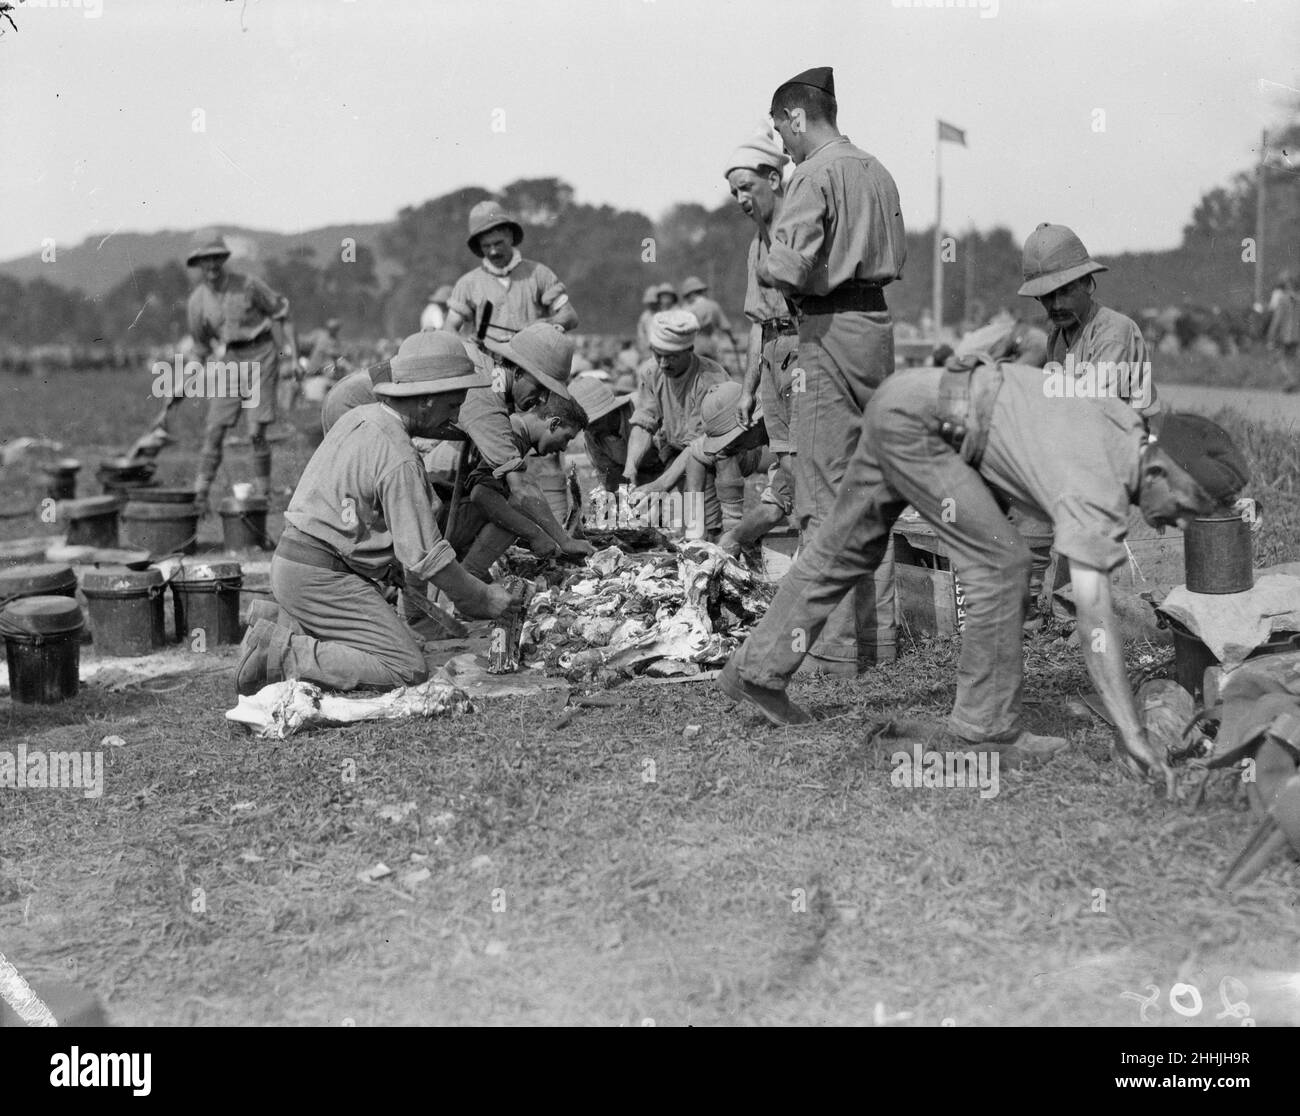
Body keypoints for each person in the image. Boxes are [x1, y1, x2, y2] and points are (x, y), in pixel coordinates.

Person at [719, 360, 1251, 794]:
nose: (1179, 525)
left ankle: (756, 670)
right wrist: (1132, 730)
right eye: (1183, 508)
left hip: (905, 398)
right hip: (924, 427)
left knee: (844, 548)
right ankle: (984, 730)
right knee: (1003, 564)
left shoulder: (1129, 427)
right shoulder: (1098, 484)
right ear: (1155, 473)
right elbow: (1095, 622)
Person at [237, 332, 513, 696]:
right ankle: (281, 652)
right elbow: (426, 558)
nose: (456, 417)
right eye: (452, 406)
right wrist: (481, 597)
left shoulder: (361, 418)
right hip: (321, 577)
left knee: (390, 643)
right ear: (427, 401)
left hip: (295, 564)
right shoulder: (398, 455)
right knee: (407, 668)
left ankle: (274, 621)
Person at [761, 66, 906, 673]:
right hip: (876, 327)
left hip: (824, 330)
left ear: (797, 117)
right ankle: (881, 640)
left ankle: (836, 651)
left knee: (823, 495)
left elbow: (788, 270)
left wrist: (770, 264)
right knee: (873, 488)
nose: (781, 146)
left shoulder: (812, 174)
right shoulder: (877, 169)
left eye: (780, 131)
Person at [181, 236, 299, 509]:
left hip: (262, 354)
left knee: (256, 430)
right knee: (214, 429)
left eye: (215, 258)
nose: (211, 265)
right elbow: (200, 348)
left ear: (223, 260)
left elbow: (282, 313)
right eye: (205, 260)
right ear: (199, 264)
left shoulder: (247, 284)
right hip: (231, 358)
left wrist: (291, 355)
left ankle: (263, 493)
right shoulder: (196, 302)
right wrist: (185, 379)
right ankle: (200, 494)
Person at [726, 130, 800, 556]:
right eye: (734, 191)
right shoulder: (758, 241)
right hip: (772, 350)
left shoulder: (796, 225)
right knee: (785, 458)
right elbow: (758, 323)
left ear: (773, 179)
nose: (739, 198)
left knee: (802, 464)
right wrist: (749, 388)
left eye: (746, 187)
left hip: (801, 348)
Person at [1020, 223, 1159, 418]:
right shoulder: (1058, 335)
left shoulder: (1113, 333)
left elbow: (1093, 410)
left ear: (1086, 282)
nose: (1057, 305)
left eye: (1066, 291)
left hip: (1131, 439)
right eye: (1048, 296)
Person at [445, 393, 591, 578]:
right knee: (516, 512)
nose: (563, 448)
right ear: (553, 424)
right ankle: (471, 575)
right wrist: (535, 535)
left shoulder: (513, 430)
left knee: (521, 501)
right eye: (567, 438)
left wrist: (561, 541)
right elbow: (481, 494)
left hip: (452, 510)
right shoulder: (507, 434)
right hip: (443, 512)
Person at [633, 381, 791, 548]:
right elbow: (696, 450)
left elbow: (773, 510)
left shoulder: (788, 433)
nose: (730, 447)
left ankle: (730, 528)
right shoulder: (763, 427)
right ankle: (705, 532)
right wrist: (695, 532)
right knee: (710, 454)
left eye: (732, 440)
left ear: (749, 420)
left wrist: (734, 537)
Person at [623, 310, 729, 533]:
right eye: (657, 354)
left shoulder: (709, 378)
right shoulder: (652, 373)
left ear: (689, 350)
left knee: (703, 517)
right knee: (677, 522)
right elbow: (644, 422)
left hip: (719, 451)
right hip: (679, 448)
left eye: (670, 356)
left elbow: (701, 445)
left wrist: (660, 484)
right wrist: (631, 466)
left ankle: (714, 538)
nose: (662, 363)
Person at [442, 202, 577, 341]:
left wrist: (544, 326)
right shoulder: (467, 284)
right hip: (486, 361)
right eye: (486, 246)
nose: (493, 251)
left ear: (510, 237)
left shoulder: (539, 274)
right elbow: (450, 327)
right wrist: (465, 345)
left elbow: (569, 315)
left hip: (534, 359)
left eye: (498, 243)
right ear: (478, 246)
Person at [570, 376, 663, 493]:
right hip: (639, 478)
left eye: (593, 423)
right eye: (585, 426)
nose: (590, 430)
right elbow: (610, 478)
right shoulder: (592, 435)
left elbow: (673, 450)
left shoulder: (642, 407)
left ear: (607, 413)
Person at [679, 276, 738, 366]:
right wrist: (732, 338)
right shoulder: (713, 305)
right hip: (711, 344)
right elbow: (726, 326)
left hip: (693, 345)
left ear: (690, 294)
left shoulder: (685, 309)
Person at [1265, 271, 1299, 392]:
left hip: (1286, 335)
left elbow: (1277, 320)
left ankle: (1291, 380)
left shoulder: (1283, 299)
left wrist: (1270, 335)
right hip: (1297, 335)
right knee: (1293, 358)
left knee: (1281, 358)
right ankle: (1293, 381)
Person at [635, 285, 659, 356]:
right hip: (648, 347)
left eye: (654, 303)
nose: (652, 305)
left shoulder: (662, 314)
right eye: (650, 303)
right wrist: (644, 344)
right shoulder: (645, 316)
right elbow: (640, 332)